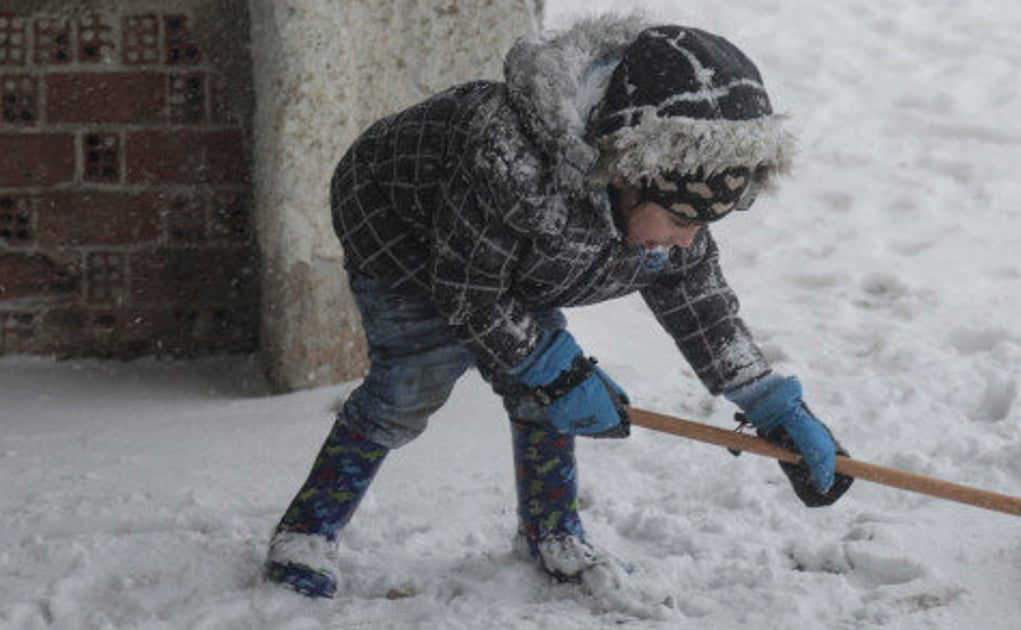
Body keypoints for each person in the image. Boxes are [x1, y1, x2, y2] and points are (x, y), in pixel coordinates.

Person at [264, 14, 854, 598]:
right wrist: (559, 368)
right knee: (412, 382)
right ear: (630, 173)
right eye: (679, 220)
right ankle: (307, 529)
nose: (686, 240)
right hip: (402, 230)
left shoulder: (665, 212)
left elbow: (702, 306)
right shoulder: (510, 162)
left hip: (506, 256)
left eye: (702, 224)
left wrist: (771, 405)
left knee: (542, 388)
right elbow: (470, 294)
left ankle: (552, 532)